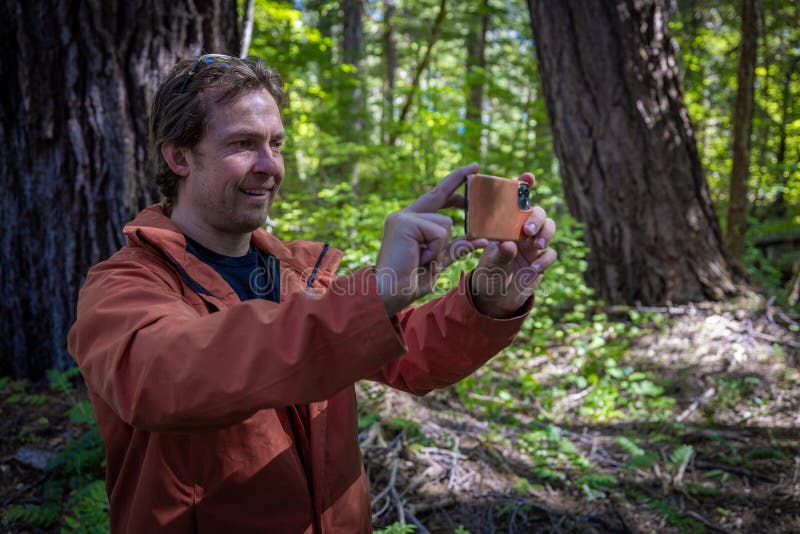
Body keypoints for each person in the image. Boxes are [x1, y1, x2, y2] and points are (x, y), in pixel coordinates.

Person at [67, 54, 557, 533]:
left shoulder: (300, 275)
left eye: (276, 144)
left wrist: (493, 296)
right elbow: (168, 377)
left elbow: (411, 355)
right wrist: (376, 294)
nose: (270, 165)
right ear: (179, 157)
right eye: (243, 143)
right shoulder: (124, 285)